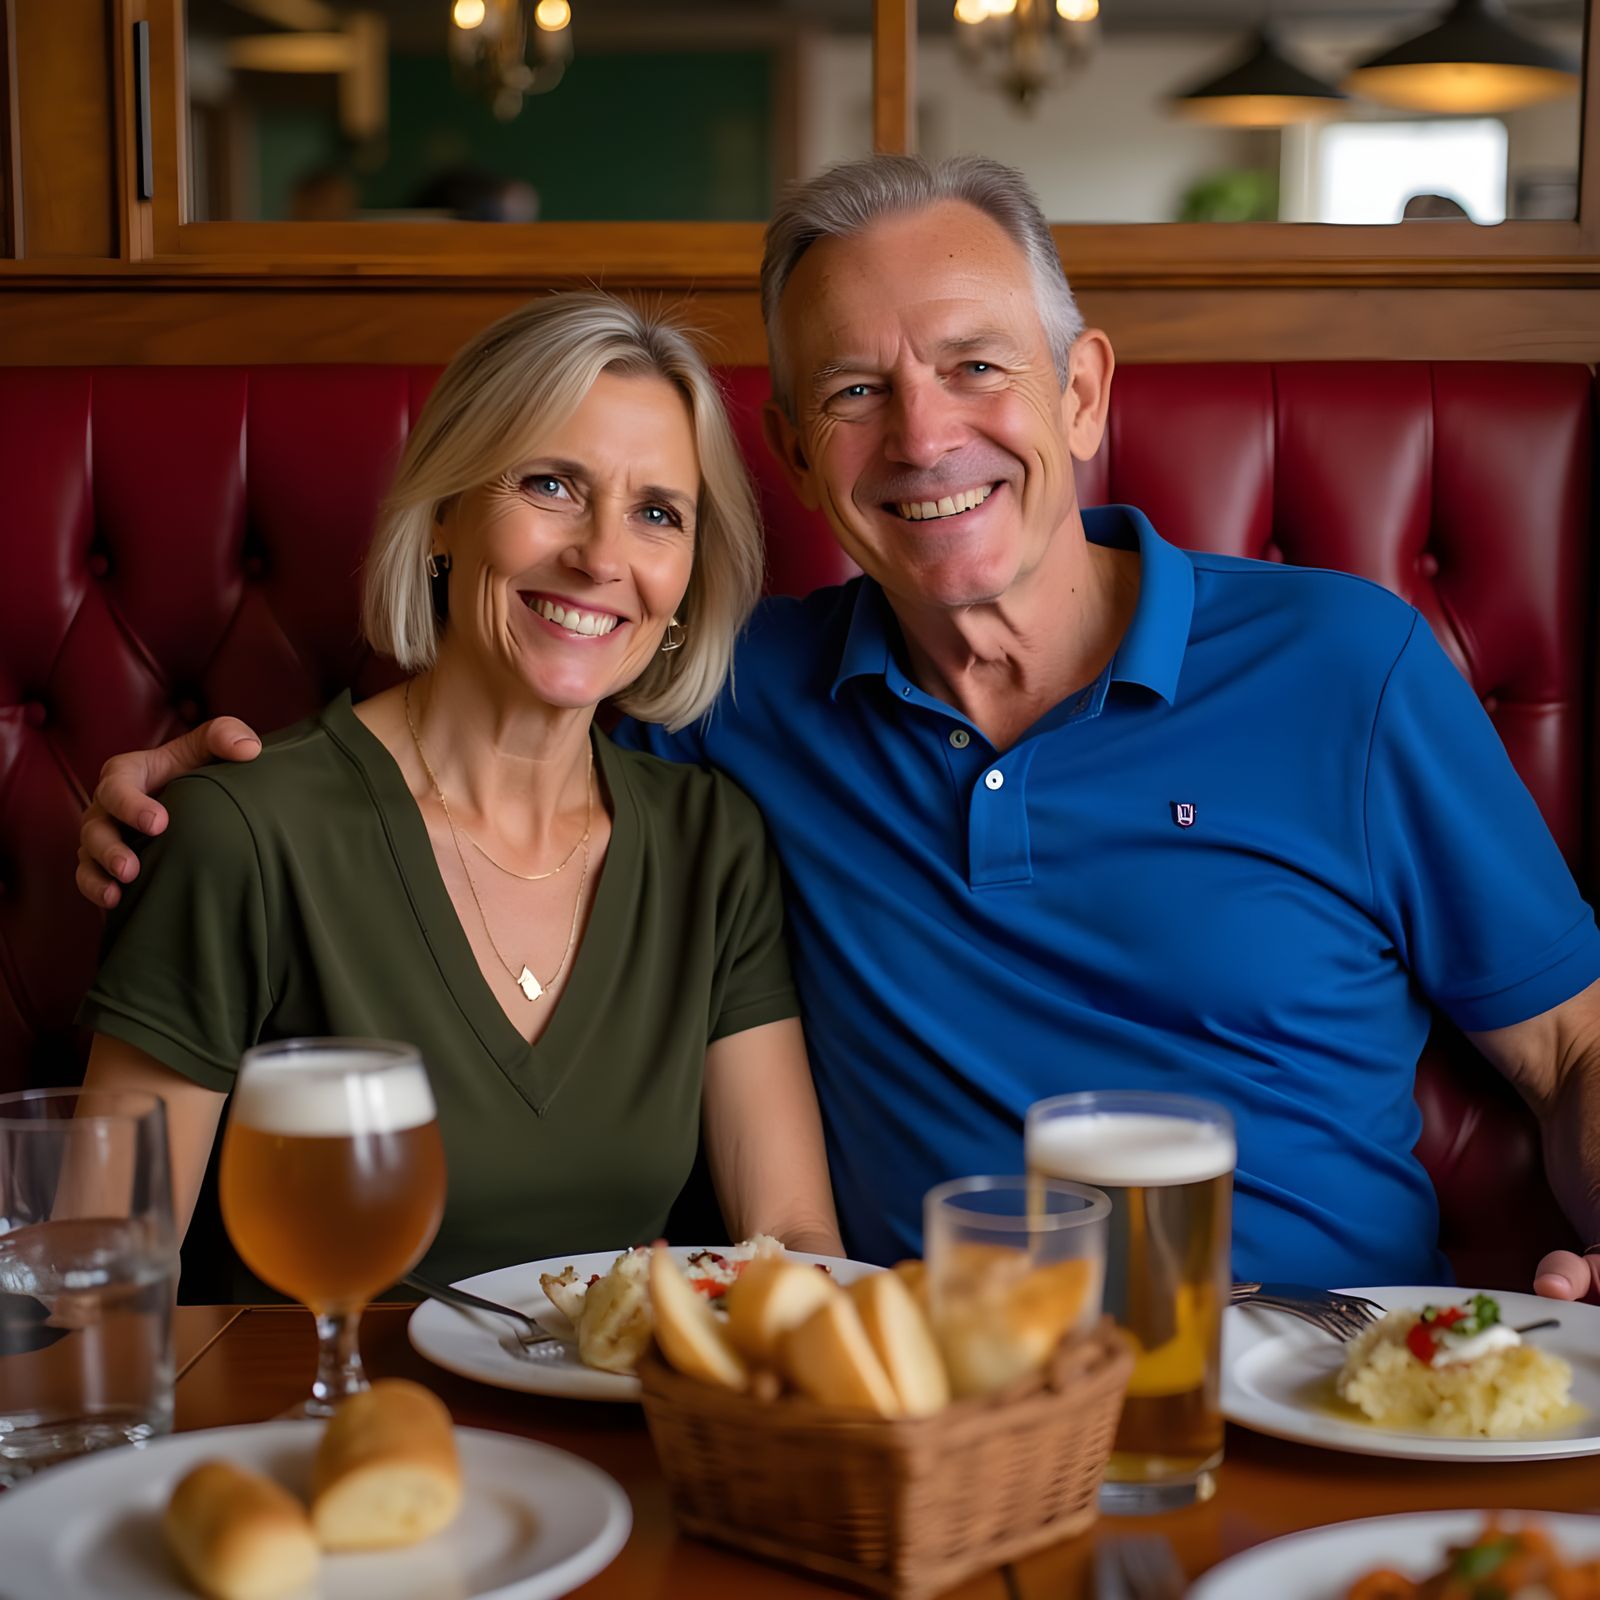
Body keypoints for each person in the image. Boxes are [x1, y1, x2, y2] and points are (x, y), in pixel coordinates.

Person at [78, 156, 1600, 1302]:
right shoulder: (733, 702)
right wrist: (196, 795)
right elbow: (481, 733)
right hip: (921, 1413)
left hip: (1326, 1375)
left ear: (1081, 393)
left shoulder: (1346, 666)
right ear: (799, 458)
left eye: (977, 365)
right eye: (858, 391)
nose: (925, 436)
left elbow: (1572, 1046)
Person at [76, 291, 842, 1299]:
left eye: (658, 513)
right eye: (551, 484)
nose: (602, 556)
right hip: (322, 1399)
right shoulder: (241, 835)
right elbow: (98, 1282)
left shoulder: (712, 844)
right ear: (445, 511)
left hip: (622, 1403)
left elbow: (792, 1236)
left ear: (687, 582)